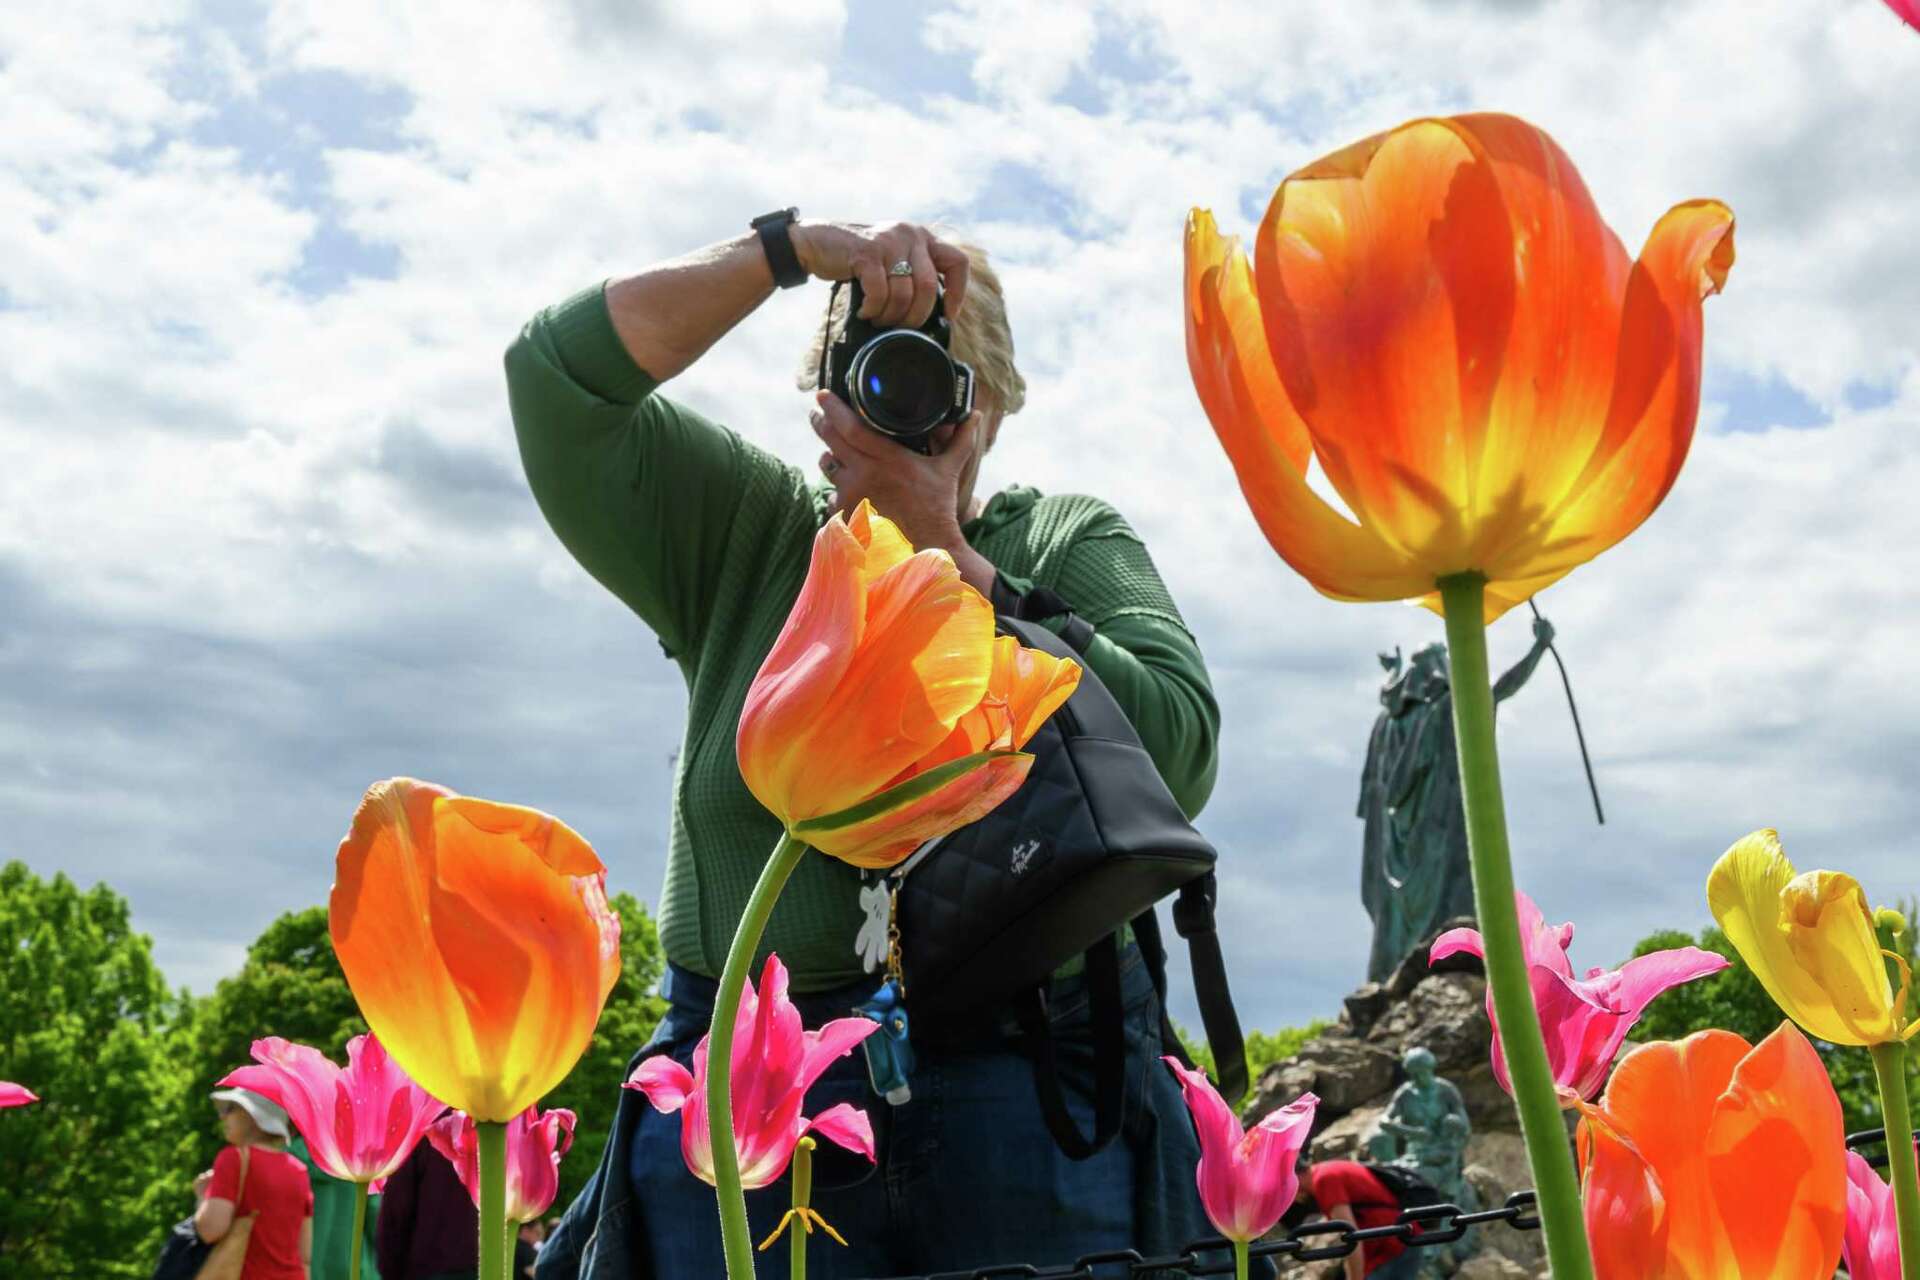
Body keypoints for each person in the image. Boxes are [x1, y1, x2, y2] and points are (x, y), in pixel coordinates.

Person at [507, 216, 1223, 1277]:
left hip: (1028, 1077)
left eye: (944, 372)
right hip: (752, 1073)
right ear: (824, 391)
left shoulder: (1061, 541)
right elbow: (555, 379)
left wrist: (946, 548)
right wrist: (784, 253)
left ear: (996, 403)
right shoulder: (746, 530)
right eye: (875, 368)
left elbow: (1180, 751)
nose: (906, 398)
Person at [1357, 619, 1554, 980]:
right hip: (1440, 835)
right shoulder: (1446, 707)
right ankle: (1445, 959)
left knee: (1423, 918)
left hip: (1401, 850)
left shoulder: (1388, 722)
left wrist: (1393, 673)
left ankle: (1409, 970)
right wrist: (1538, 649)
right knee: (1454, 905)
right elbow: (1497, 691)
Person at [195, 1087, 314, 1280]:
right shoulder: (299, 1170)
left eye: (230, 1108)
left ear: (251, 1115)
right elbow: (305, 1254)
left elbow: (210, 1230)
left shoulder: (234, 1159)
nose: (223, 1117)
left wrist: (202, 1196)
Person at [374, 1140, 478, 1280]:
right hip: (487, 1263)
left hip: (428, 1266)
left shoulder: (420, 1127)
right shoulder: (505, 1124)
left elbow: (396, 1212)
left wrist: (389, 1271)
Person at [1305, 1160, 1424, 1280]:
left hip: (1391, 1247)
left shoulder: (1324, 1180)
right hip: (1400, 1238)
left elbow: (1353, 1237)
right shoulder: (1328, 1168)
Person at [290, 1134, 380, 1280]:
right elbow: (375, 1217)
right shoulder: (360, 1156)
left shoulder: (291, 1158)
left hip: (306, 1270)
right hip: (352, 1268)